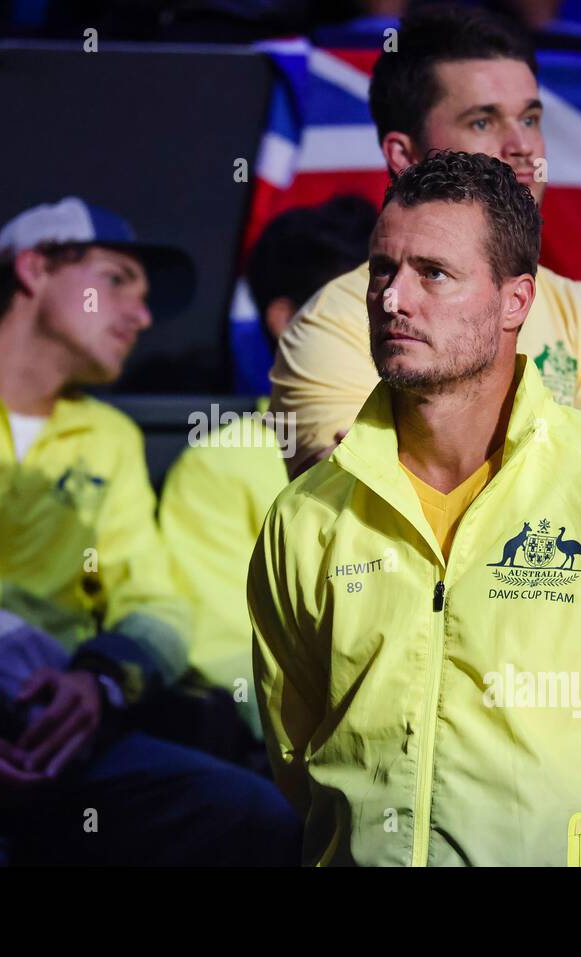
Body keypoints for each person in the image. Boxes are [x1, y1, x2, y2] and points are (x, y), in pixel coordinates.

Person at [249, 150, 581, 867]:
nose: (392, 298)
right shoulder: (305, 517)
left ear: (515, 303)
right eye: (382, 268)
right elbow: (299, 757)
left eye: (432, 272)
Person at [0, 197, 301, 865]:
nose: (141, 315)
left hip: (62, 737)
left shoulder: (110, 438)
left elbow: (158, 605)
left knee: (263, 818)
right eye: (114, 281)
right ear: (33, 269)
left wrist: (97, 683)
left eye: (143, 298)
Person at [269, 6, 581, 477]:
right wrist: (571, 471)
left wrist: (424, 466)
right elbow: (362, 512)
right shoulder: (331, 327)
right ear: (404, 155)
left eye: (529, 119)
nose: (522, 147)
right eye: (483, 123)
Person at [159, 196, 375, 739]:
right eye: (362, 301)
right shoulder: (222, 461)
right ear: (288, 320)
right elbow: (226, 653)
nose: (397, 309)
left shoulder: (459, 439)